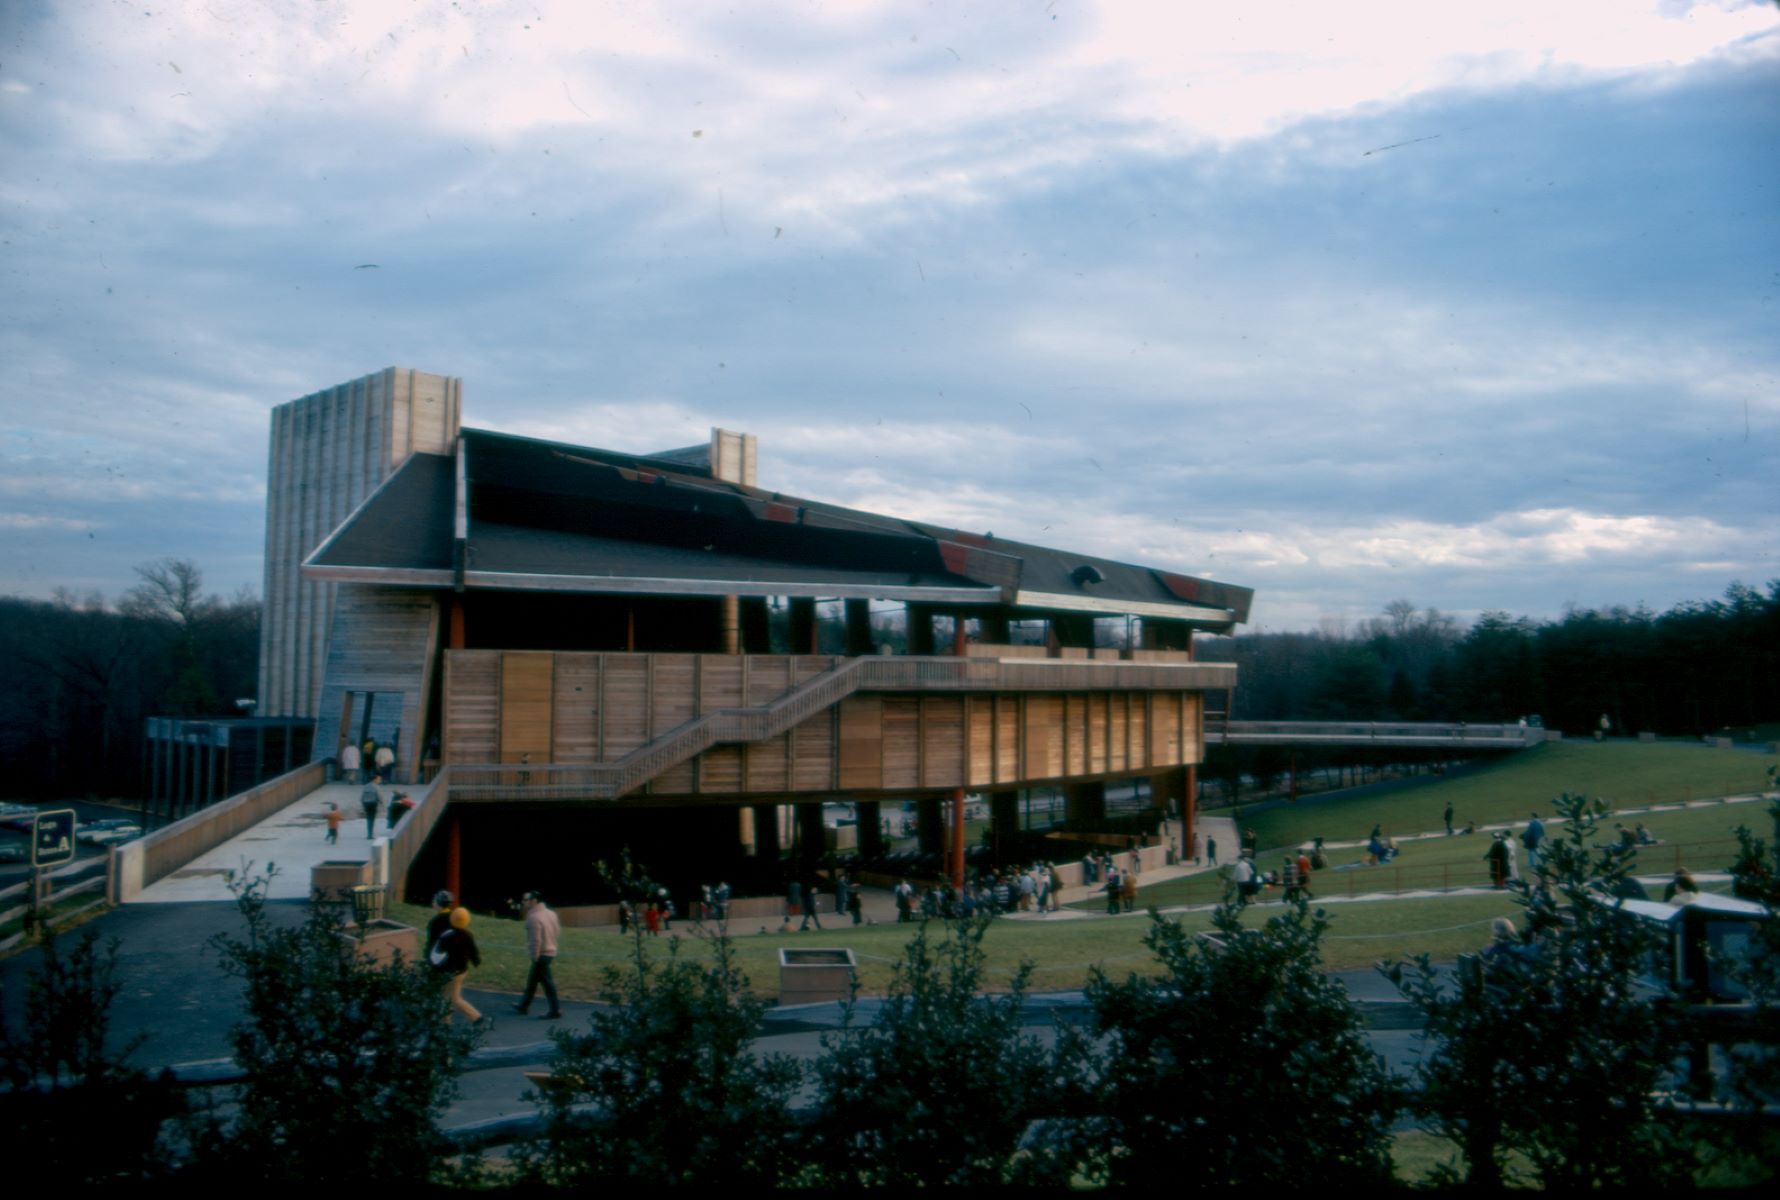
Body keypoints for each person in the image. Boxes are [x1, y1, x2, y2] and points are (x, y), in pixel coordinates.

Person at [513, 890, 563, 1020]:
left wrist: (534, 957)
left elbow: (535, 940)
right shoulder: (551, 914)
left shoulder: (533, 918)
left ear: (534, 901)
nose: (523, 902)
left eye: (526, 900)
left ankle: (555, 1010)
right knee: (533, 981)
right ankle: (523, 1006)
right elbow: (557, 931)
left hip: (541, 954)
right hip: (550, 951)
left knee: (547, 983)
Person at [431, 906, 483, 1026]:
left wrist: (435, 967)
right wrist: (476, 961)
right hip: (462, 971)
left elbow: (438, 953)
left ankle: (475, 1016)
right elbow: (473, 951)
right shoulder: (468, 935)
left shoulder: (446, 935)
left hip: (449, 971)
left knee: (453, 998)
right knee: (447, 996)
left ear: (452, 919)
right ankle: (445, 1022)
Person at [423, 889, 455, 958]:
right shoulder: (454, 917)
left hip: (438, 956)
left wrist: (426, 956)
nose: (433, 901)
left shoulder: (435, 921)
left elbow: (431, 942)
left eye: (435, 900)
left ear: (439, 902)